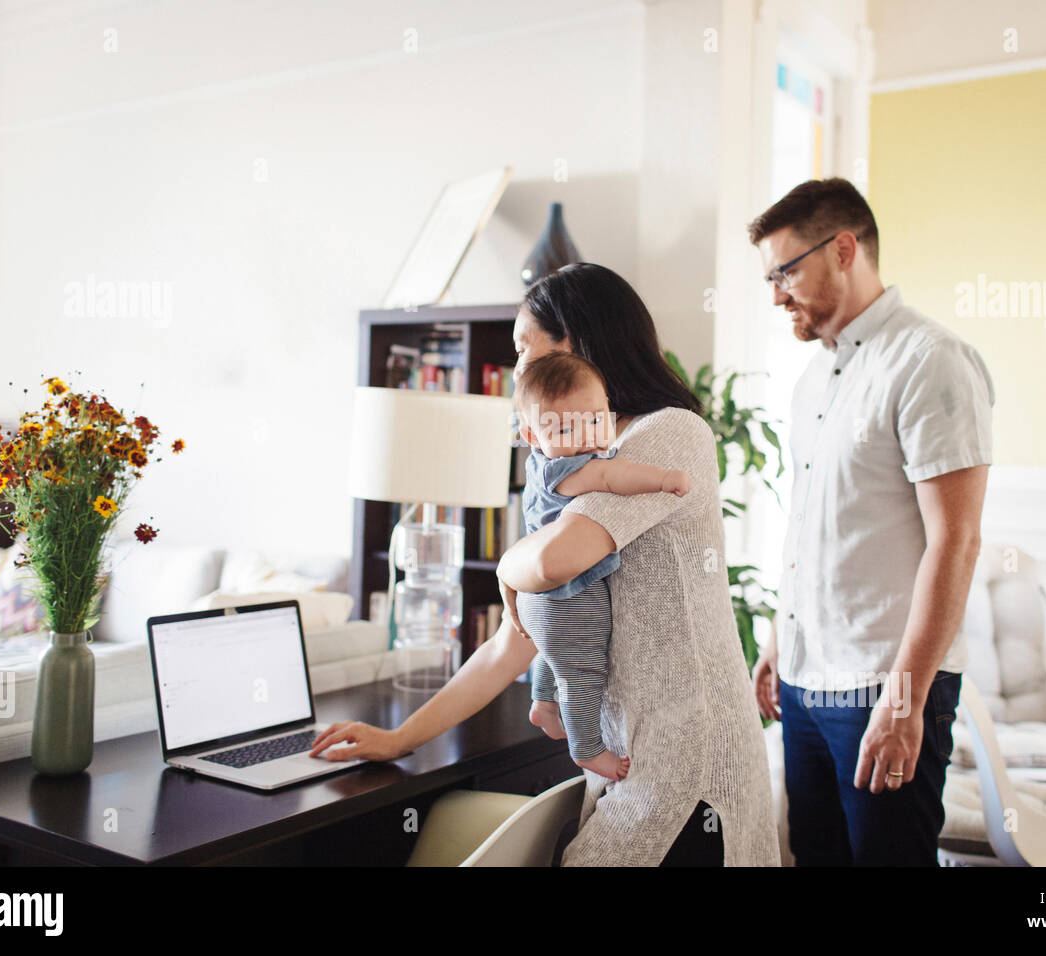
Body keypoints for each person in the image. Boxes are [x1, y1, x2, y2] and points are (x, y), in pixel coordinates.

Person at [310, 262, 780, 867]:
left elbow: (555, 561)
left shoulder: (667, 434)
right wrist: (400, 738)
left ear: (575, 343)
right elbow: (510, 643)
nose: (518, 371)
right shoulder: (573, 464)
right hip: (633, 756)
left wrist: (507, 565)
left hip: (691, 760)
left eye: (524, 348)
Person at [748, 178, 994, 866]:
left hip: (883, 685)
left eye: (785, 272)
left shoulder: (931, 361)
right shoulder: (810, 383)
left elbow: (957, 541)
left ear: (845, 249)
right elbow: (810, 528)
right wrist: (776, 638)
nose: (776, 294)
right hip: (803, 681)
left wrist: (905, 699)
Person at [513, 350, 693, 782]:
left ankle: (543, 704)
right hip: (569, 597)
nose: (587, 436)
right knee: (585, 673)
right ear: (532, 435)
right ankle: (588, 750)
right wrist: (664, 480)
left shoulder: (537, 467)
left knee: (558, 657)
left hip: (540, 599)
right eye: (565, 426)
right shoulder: (568, 468)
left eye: (595, 419)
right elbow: (614, 478)